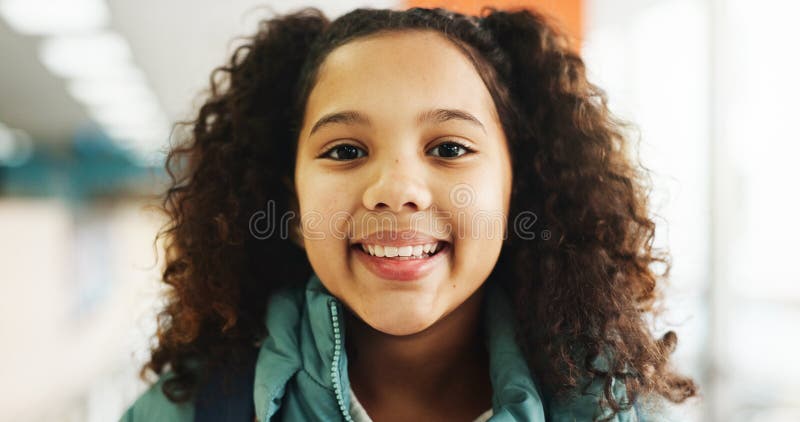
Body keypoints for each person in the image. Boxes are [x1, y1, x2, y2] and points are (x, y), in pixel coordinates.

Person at [120, 6, 698, 422]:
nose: (397, 191)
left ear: (517, 194)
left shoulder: (619, 414)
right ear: (290, 206)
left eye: (448, 148)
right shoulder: (182, 414)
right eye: (345, 151)